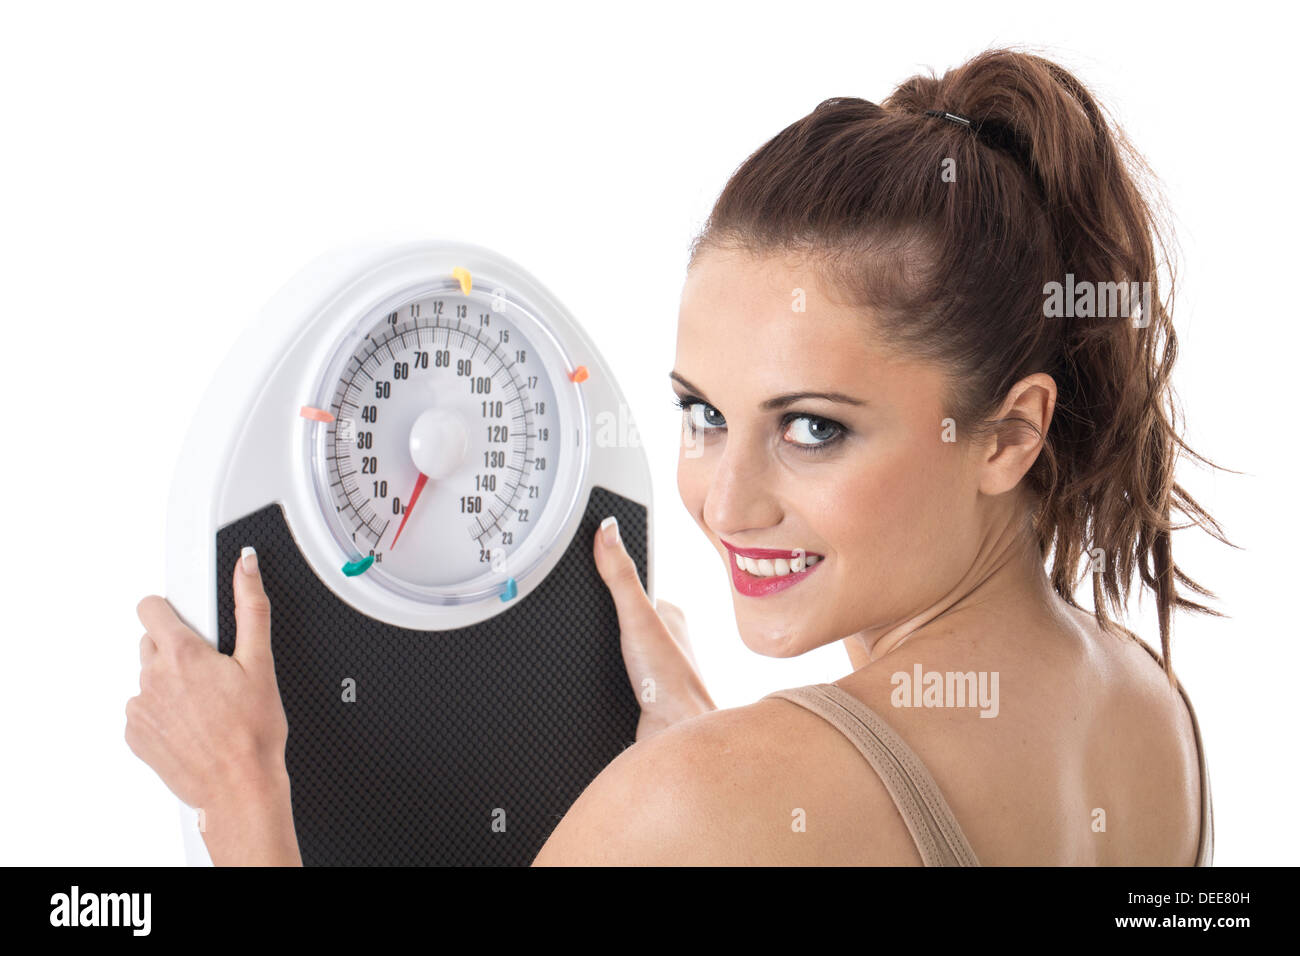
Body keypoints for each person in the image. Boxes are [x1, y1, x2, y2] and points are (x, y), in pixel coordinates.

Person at [128, 47, 1228, 866]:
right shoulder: (1149, 712)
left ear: (1008, 432)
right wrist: (722, 763)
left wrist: (244, 807)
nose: (725, 501)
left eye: (812, 427)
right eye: (703, 413)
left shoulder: (702, 808)